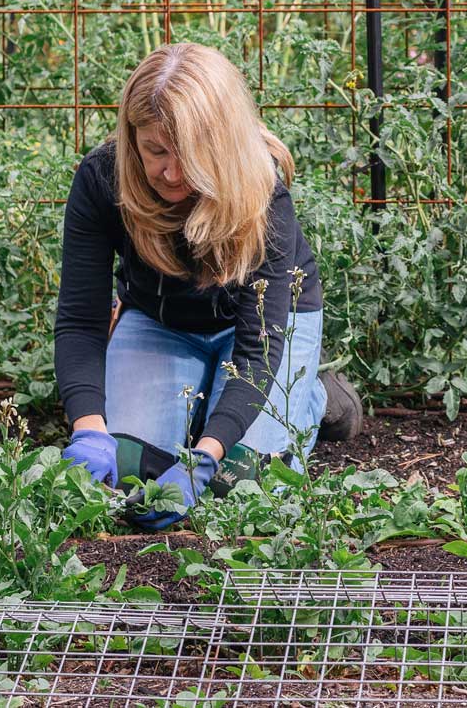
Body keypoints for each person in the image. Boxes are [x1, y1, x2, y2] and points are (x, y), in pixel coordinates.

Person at [53, 42, 363, 529]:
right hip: (162, 324)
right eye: (154, 150)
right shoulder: (100, 181)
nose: (170, 173)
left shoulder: (262, 191)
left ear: (219, 144)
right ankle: (204, 405)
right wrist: (88, 428)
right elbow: (79, 321)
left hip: (266, 330)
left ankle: (315, 397)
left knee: (245, 486)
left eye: (188, 155)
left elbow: (258, 350)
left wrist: (206, 458)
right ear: (132, 135)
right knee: (134, 476)